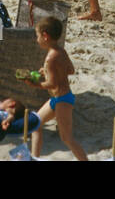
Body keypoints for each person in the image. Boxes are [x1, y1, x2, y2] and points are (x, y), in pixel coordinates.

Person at [27, 17, 87, 161]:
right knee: (35, 124)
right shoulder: (61, 51)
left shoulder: (50, 58)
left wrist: (35, 84)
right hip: (58, 99)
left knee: (67, 138)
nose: (37, 39)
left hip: (62, 100)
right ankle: (34, 158)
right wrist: (48, 71)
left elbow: (52, 84)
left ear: (45, 36)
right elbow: (70, 70)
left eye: (38, 36)